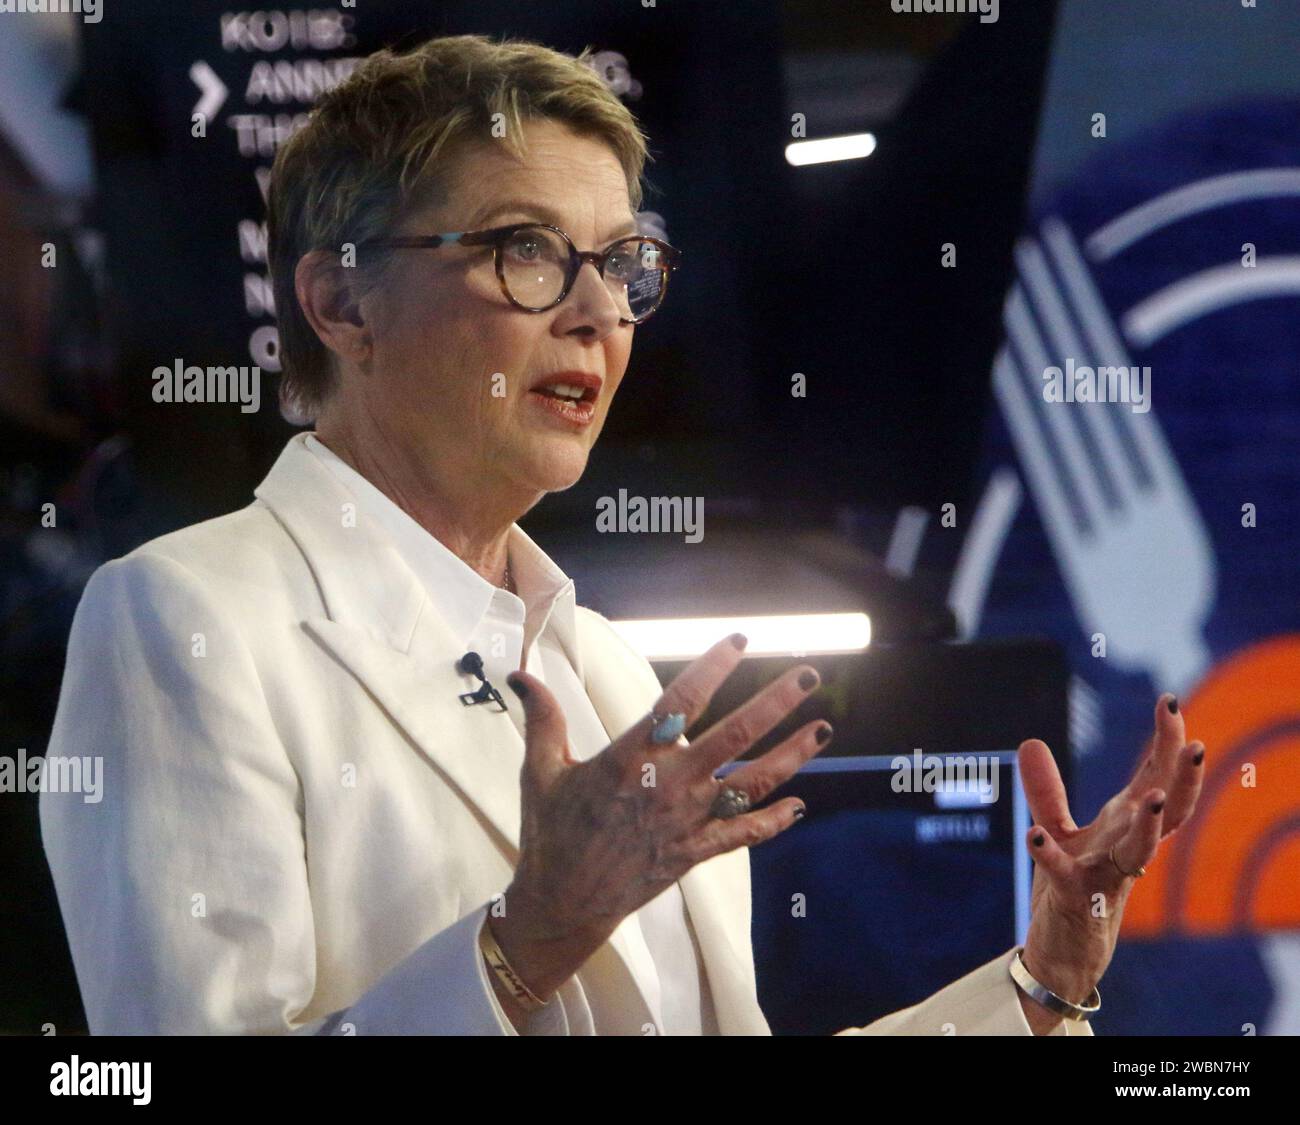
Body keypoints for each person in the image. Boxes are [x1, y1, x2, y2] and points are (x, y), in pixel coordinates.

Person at [39, 33, 1205, 1036]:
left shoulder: (596, 660)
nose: (599, 315)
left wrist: (1038, 985)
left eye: (621, 263)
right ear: (342, 302)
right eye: (526, 250)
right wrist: (525, 943)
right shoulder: (184, 621)